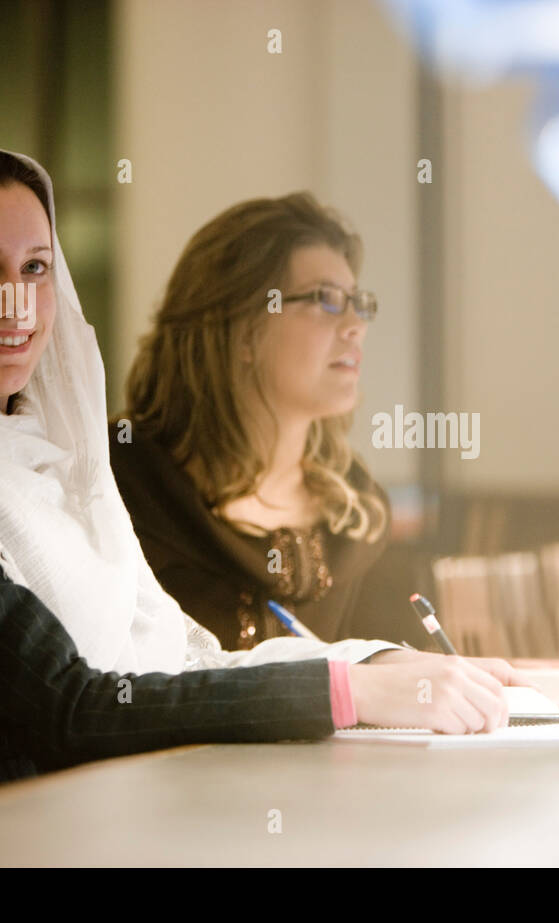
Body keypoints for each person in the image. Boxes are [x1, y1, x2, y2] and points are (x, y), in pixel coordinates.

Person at [0, 144, 528, 798]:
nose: (15, 299)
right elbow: (70, 709)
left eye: (35, 267)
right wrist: (346, 694)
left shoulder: (45, 466)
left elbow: (184, 663)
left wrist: (379, 666)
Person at [112, 193, 392, 651]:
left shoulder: (357, 512)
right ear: (241, 329)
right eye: (325, 299)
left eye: (357, 302)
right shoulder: (125, 488)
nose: (355, 325)